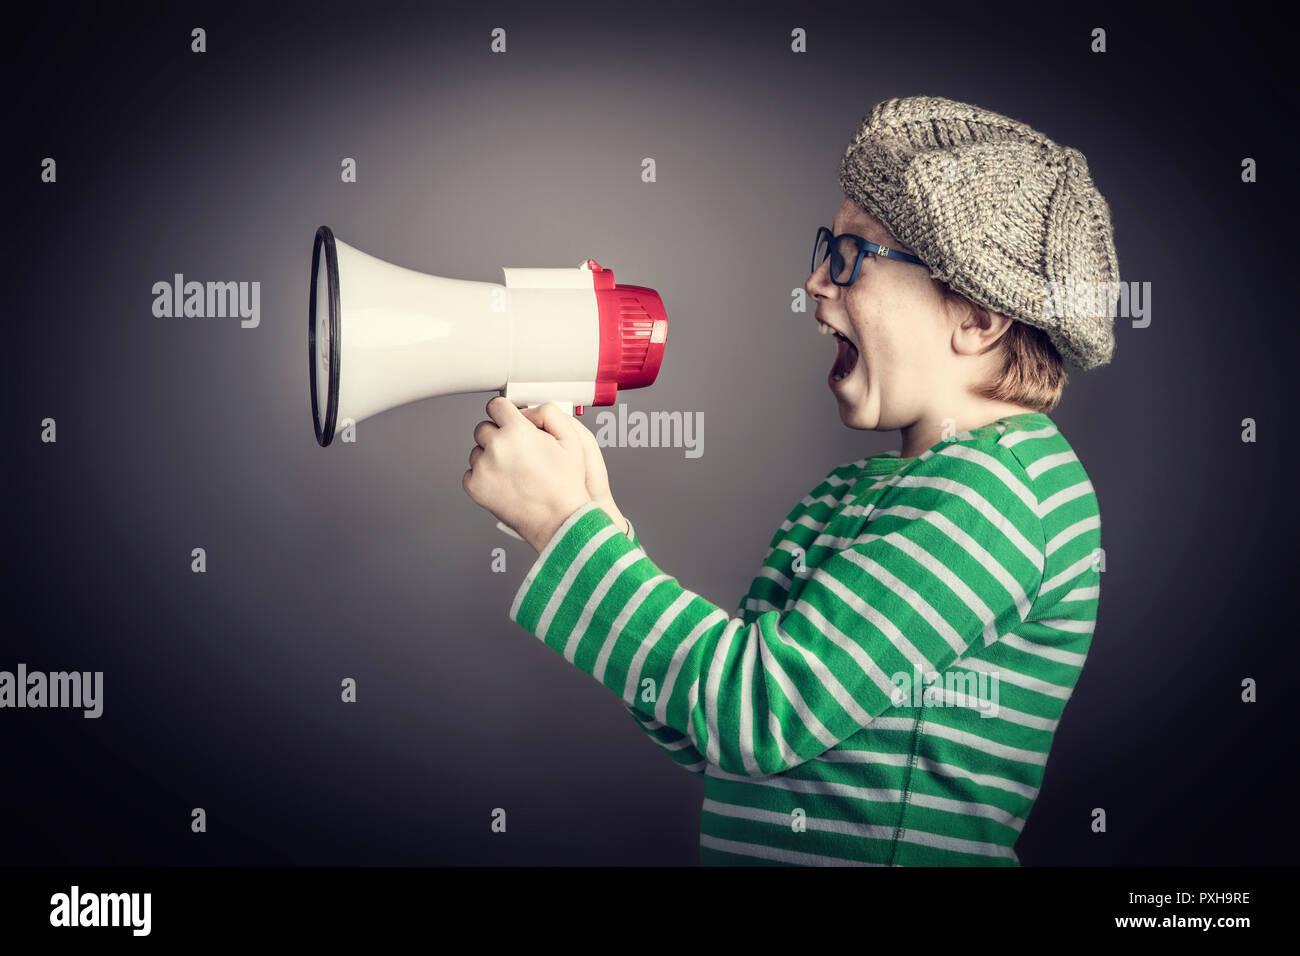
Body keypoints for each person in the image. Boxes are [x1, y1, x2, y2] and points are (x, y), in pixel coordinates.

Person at [463, 94, 1116, 865]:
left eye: (851, 257)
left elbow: (758, 710)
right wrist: (597, 521)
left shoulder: (999, 496)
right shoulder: (852, 498)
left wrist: (562, 531)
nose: (814, 282)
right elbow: (707, 729)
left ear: (975, 315)